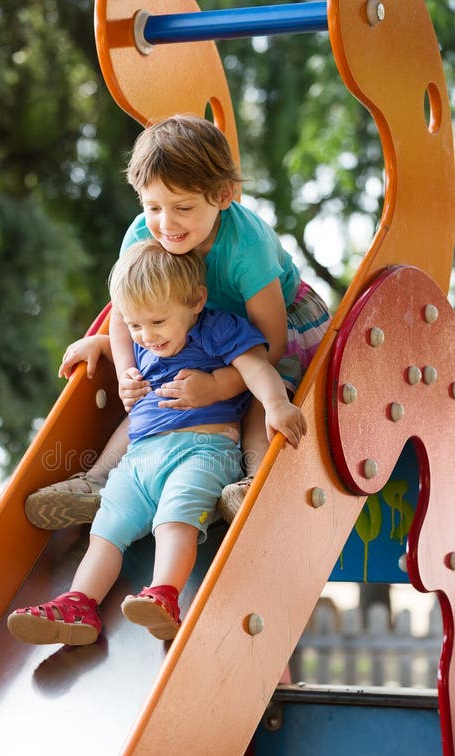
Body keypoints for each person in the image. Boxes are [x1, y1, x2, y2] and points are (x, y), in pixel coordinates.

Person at [24, 114, 329, 531]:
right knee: (152, 393)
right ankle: (96, 483)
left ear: (222, 195)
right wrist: (125, 368)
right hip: (191, 323)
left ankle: (254, 482)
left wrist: (218, 386)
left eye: (183, 207)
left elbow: (271, 345)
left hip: (269, 326)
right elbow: (124, 309)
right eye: (153, 207)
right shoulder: (141, 236)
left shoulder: (247, 246)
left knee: (263, 394)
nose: (166, 224)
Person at [8, 239, 306, 646]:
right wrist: (97, 344)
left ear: (196, 301)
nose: (146, 336)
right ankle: (79, 603)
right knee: (106, 529)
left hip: (202, 451)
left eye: (156, 323)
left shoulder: (217, 328)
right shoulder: (144, 345)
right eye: (134, 326)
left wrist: (275, 404)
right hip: (139, 458)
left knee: (175, 517)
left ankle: (164, 594)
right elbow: (120, 343)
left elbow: (256, 367)